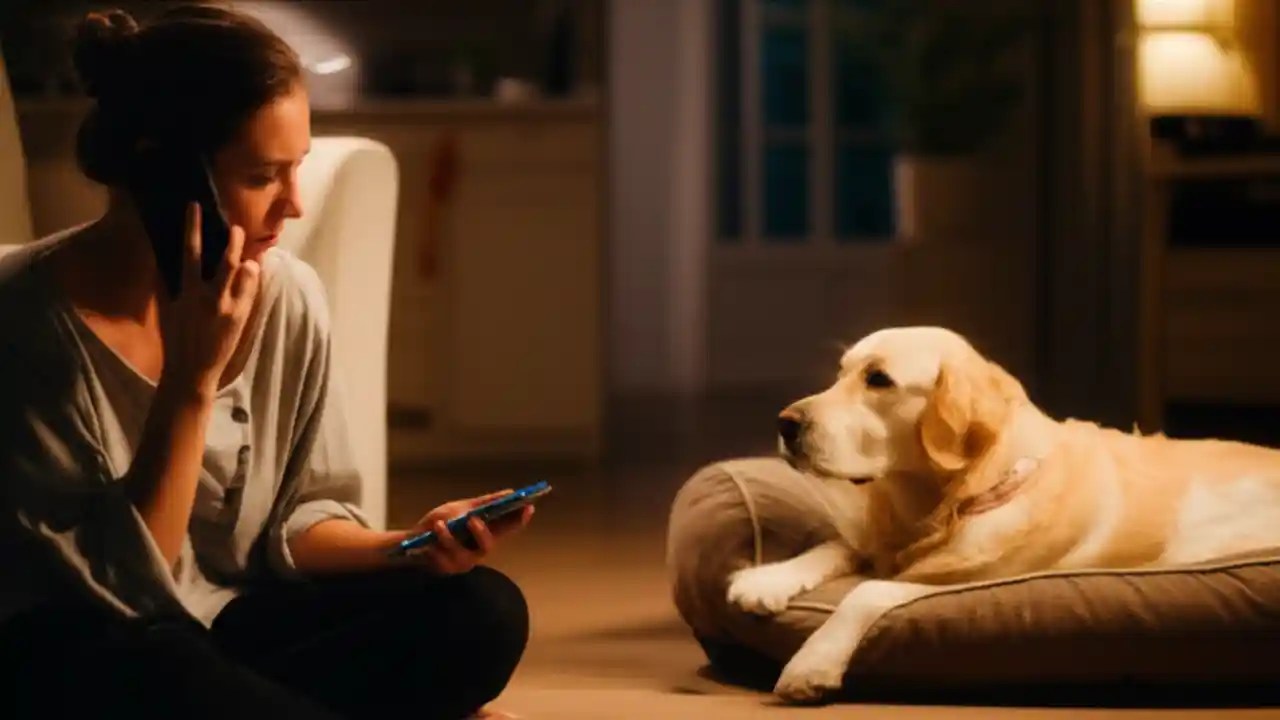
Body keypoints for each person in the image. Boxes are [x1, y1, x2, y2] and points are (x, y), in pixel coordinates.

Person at [0, 5, 532, 718]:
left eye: (298, 169)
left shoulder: (286, 293)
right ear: (166, 173)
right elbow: (122, 590)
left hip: (229, 621)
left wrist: (407, 544)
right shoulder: (27, 318)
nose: (295, 206)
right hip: (97, 637)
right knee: (150, 665)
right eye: (262, 176)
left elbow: (300, 518)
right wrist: (192, 379)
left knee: (482, 611)